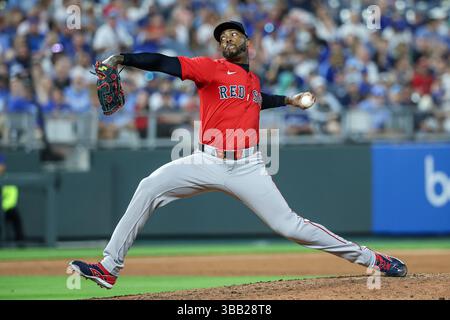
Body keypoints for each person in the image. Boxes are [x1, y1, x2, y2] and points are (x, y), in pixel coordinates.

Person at [69, 21, 407, 289]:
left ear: (249, 43)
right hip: (207, 159)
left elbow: (258, 98)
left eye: (233, 35)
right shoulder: (210, 68)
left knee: (290, 226)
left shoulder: (252, 81)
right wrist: (124, 59)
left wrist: (288, 100)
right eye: (222, 38)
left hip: (248, 166)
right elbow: (165, 63)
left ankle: (372, 259)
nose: (226, 40)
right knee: (148, 186)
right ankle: (109, 267)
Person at [0, 154, 25, 246]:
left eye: (2, 164)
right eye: (0, 164)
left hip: (7, 208)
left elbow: (12, 195)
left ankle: (21, 244)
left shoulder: (7, 178)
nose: (2, 167)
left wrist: (4, 207)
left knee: (16, 217)